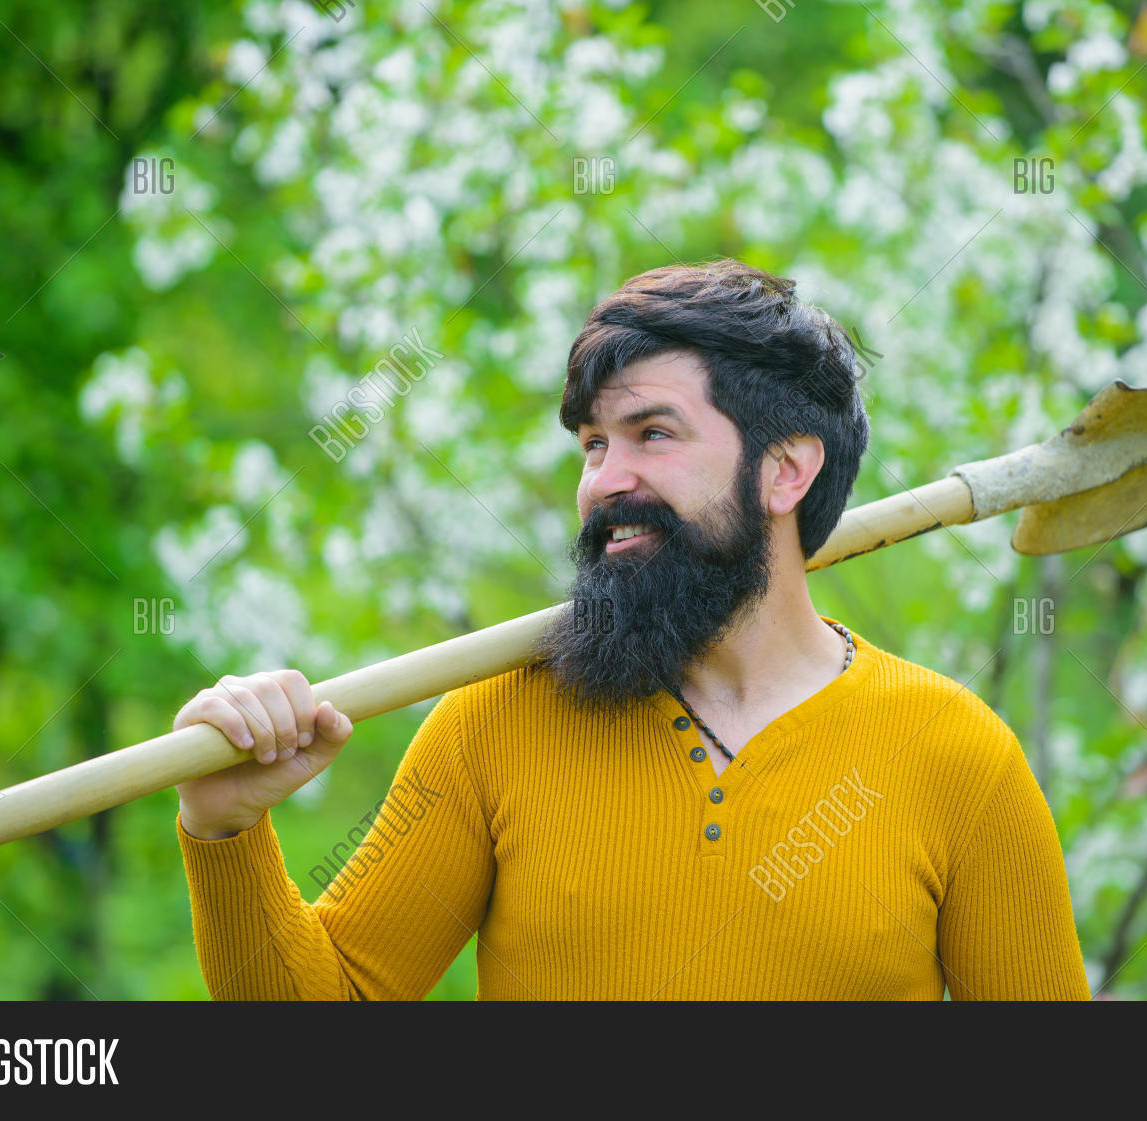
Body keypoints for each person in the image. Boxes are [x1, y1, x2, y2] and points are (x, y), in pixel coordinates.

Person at [174, 258, 1092, 1000]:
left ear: (785, 472)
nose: (604, 481)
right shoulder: (495, 722)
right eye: (593, 444)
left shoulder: (958, 758)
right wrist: (225, 829)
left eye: (653, 433)